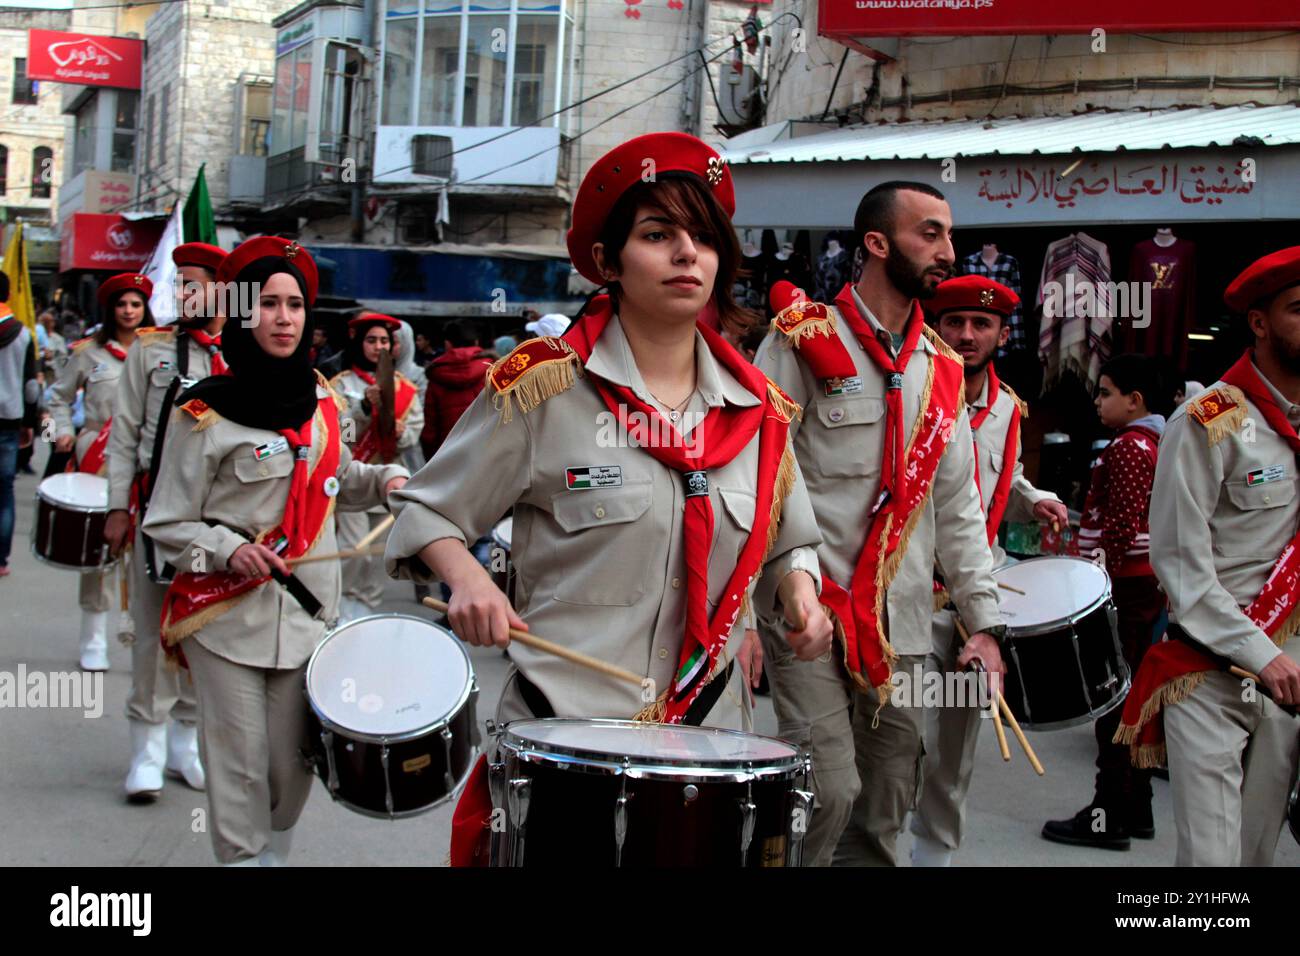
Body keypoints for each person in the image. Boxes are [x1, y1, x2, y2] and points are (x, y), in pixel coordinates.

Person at [384, 132, 832, 864]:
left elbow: (790, 538)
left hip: (708, 747)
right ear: (607, 262)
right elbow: (428, 509)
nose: (688, 254)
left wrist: (803, 596)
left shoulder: (759, 414)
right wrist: (466, 579)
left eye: (704, 238)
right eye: (658, 235)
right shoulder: (541, 388)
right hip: (565, 745)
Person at [753, 182, 1006, 867]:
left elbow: (957, 509)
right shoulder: (800, 340)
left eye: (949, 235)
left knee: (889, 799)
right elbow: (765, 473)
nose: (947, 251)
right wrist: (782, 594)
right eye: (930, 233)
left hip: (902, 628)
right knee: (825, 791)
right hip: (812, 613)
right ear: (876, 242)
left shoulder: (945, 369)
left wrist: (982, 624)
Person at [141, 237, 408, 865]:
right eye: (267, 304)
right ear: (240, 313)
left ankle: (272, 854)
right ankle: (244, 860)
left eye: (294, 305)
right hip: (225, 617)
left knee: (292, 772)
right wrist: (227, 549)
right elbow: (167, 521)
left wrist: (389, 479)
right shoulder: (201, 411)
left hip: (308, 618)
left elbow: (340, 479)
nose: (284, 318)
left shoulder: (319, 399)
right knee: (238, 770)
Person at [1116, 246, 1300, 867]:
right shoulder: (1209, 418)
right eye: (1299, 310)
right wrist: (1262, 653)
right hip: (1211, 669)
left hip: (1293, 671)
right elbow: (1181, 569)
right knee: (1212, 866)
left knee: (1258, 855)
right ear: (1259, 321)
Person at [910, 275, 1069, 866]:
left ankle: (933, 859)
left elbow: (1003, 476)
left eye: (982, 325)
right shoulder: (913, 391)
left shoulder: (1007, 407)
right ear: (935, 326)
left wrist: (1035, 498)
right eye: (954, 322)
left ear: (1003, 333)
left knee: (954, 754)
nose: (968, 335)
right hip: (907, 596)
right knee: (891, 744)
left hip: (972, 602)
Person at [102, 243, 227, 802]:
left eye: (195, 283)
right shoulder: (149, 351)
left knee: (205, 632)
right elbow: (125, 434)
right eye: (180, 284)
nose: (183, 294)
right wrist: (113, 508)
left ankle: (185, 746)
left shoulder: (243, 358)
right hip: (156, 514)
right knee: (153, 635)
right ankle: (145, 754)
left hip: (221, 523)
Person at [1042, 354, 1171, 849]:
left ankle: (1108, 815)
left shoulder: (1130, 448)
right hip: (1138, 586)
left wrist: (1090, 580)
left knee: (1111, 701)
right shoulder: (1153, 445)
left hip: (1121, 588)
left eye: (1105, 392)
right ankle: (1136, 808)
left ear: (1134, 401)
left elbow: (1118, 527)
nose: (1097, 402)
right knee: (1130, 697)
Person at [47, 273, 153, 670]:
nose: (128, 311)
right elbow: (57, 397)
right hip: (98, 457)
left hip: (145, 462)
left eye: (136, 304)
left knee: (145, 546)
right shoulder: (88, 352)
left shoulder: (158, 351)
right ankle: (93, 638)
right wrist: (61, 433)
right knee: (100, 549)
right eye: (122, 304)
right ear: (110, 310)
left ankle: (144, 636)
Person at [329, 312, 424, 621]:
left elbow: (415, 429)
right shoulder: (340, 384)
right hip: (354, 478)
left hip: (389, 479)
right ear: (359, 342)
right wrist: (364, 408)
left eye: (384, 340)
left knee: (378, 556)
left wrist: (402, 433)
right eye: (372, 340)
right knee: (352, 551)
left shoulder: (404, 386)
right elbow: (338, 434)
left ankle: (363, 617)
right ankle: (338, 614)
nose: (378, 346)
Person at [0, 271, 39, 577]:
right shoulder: (23, 334)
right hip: (10, 420)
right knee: (5, 491)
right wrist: (30, 421)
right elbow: (30, 386)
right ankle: (1, 560)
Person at [419, 319, 494, 461]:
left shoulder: (436, 376)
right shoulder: (495, 371)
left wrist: (431, 460)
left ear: (447, 344)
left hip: (448, 457)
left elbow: (430, 431)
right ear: (476, 342)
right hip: (488, 455)